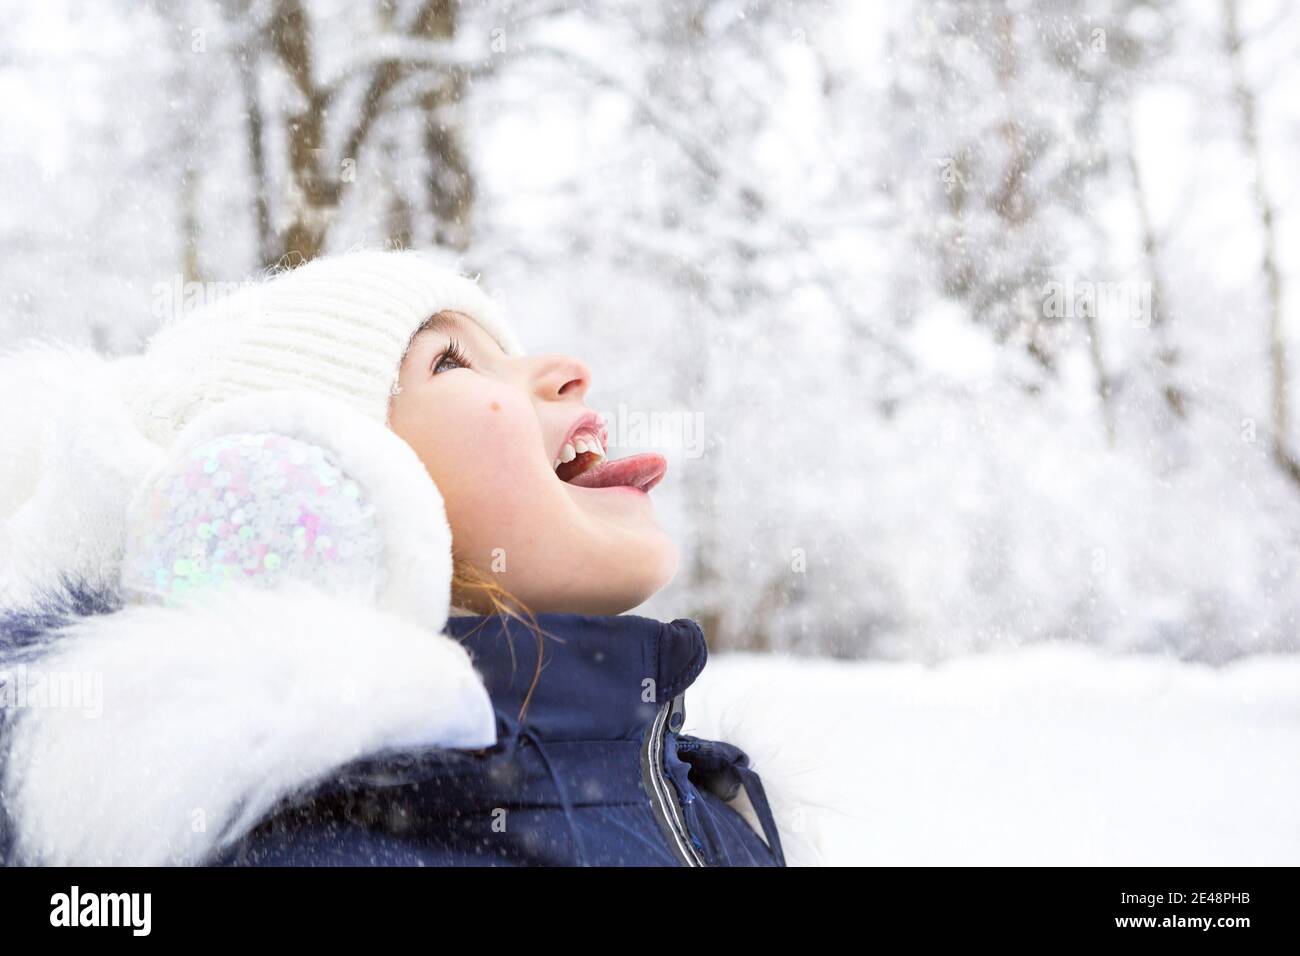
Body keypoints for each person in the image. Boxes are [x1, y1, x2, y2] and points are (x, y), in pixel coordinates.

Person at [0, 250, 817, 866]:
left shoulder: (710, 802)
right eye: (450, 361)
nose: (568, 371)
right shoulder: (327, 849)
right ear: (313, 505)